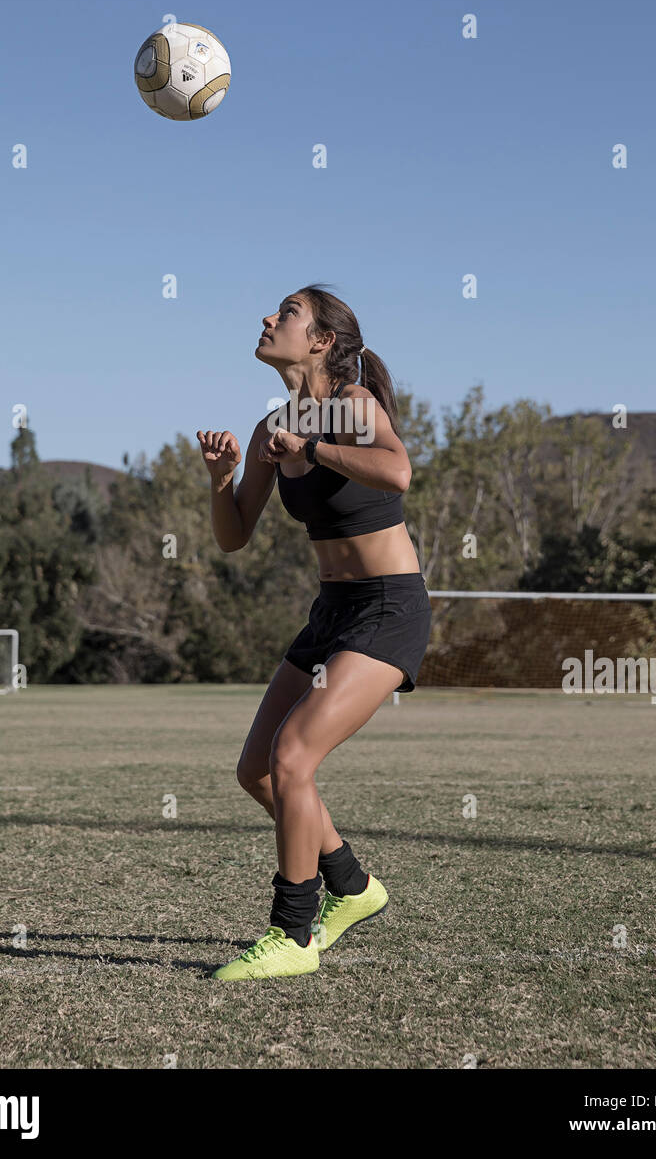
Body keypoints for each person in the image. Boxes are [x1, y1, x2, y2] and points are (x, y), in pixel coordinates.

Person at [196, 284, 432, 980]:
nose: (269, 319)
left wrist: (316, 445)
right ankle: (354, 889)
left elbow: (398, 472)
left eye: (287, 313)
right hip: (330, 614)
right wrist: (223, 479)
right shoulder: (275, 425)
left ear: (322, 340)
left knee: (295, 757)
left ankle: (294, 935)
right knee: (259, 771)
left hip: (388, 609)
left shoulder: (352, 408)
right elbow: (235, 536)